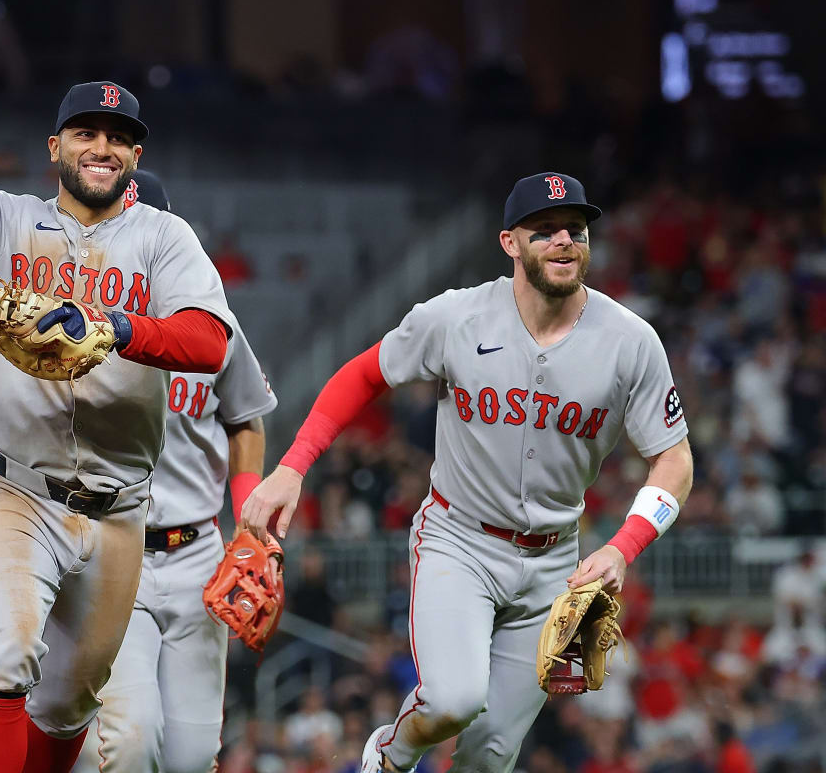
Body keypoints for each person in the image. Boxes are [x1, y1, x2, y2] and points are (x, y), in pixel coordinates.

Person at [241, 173, 695, 773]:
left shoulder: (631, 341)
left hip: (556, 565)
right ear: (510, 242)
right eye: (545, 231)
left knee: (492, 754)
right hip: (461, 543)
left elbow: (676, 458)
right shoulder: (456, 317)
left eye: (576, 230)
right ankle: (389, 756)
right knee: (452, 701)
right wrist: (293, 467)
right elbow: (364, 375)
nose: (564, 241)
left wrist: (624, 548)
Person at [0, 3, 233, 772]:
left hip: (120, 513)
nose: (103, 146)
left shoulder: (163, 238)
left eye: (119, 137)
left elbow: (209, 343)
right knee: (6, 657)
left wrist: (111, 326)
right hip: (18, 491)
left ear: (136, 156)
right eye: (86, 131)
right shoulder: (6, 218)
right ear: (55, 146)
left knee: (67, 706)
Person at [78, 170, 279, 772]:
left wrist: (249, 520)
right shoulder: (76, 329)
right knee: (135, 744)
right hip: (115, 551)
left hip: (197, 553)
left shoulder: (214, 326)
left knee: (192, 760)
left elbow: (247, 420)